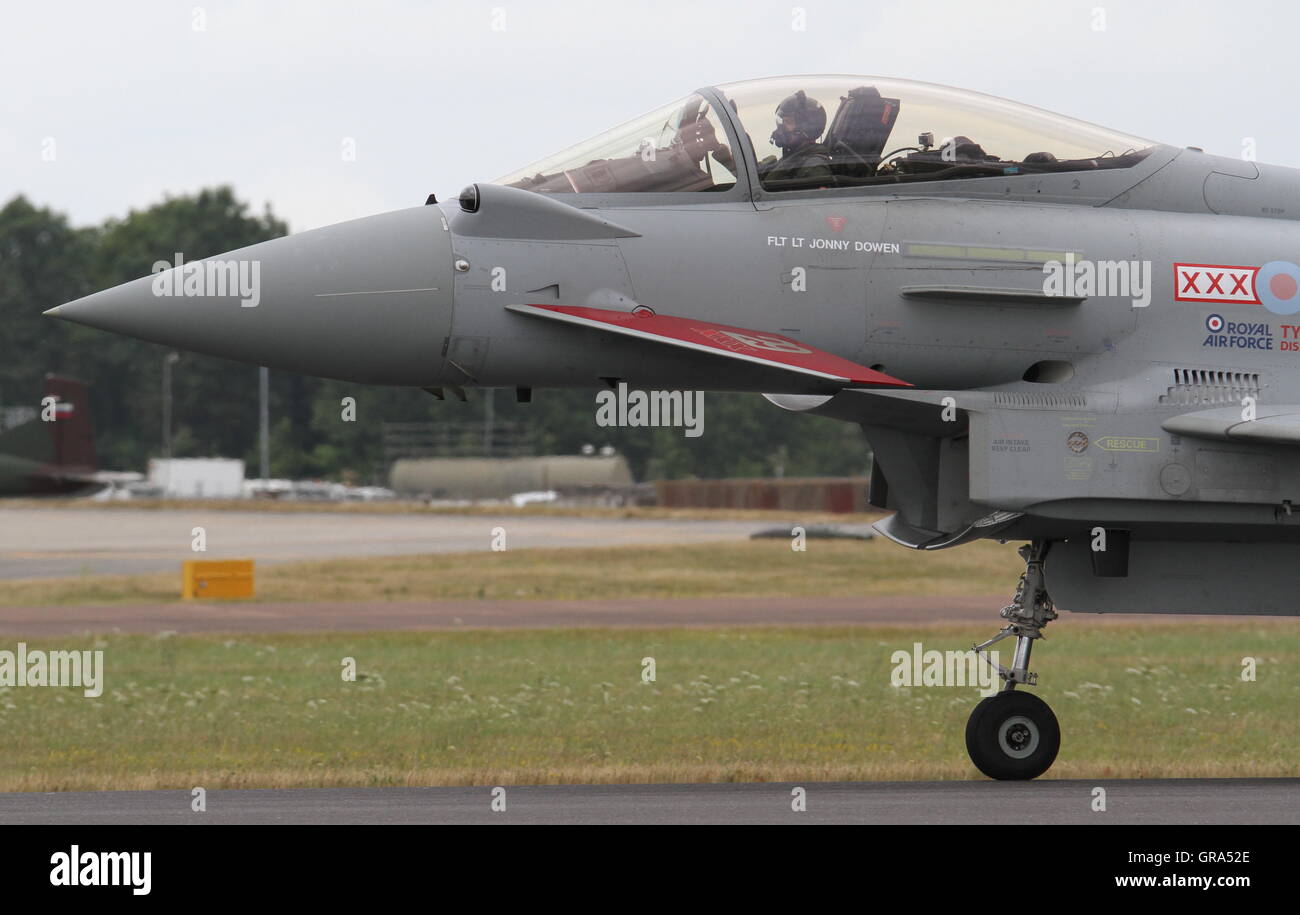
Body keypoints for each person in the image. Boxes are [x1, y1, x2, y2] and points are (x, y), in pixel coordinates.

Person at [758, 90, 832, 188]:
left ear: (806, 129)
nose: (782, 127)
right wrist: (730, 159)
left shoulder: (814, 168)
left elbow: (822, 200)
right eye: (782, 121)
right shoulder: (792, 159)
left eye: (788, 122)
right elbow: (750, 179)